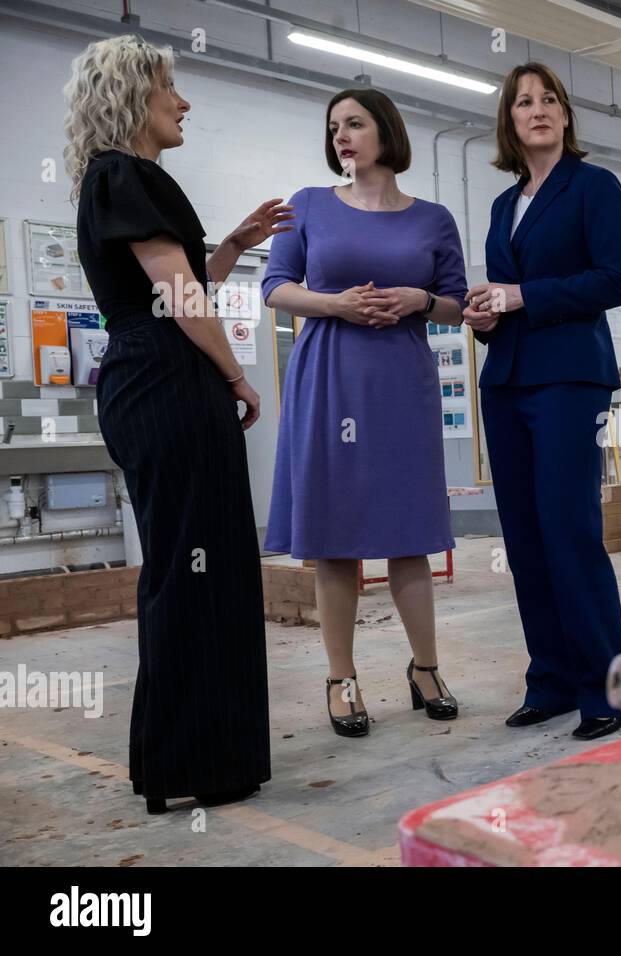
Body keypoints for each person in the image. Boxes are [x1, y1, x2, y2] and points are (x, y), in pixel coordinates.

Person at [66, 36, 289, 812]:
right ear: (136, 95)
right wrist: (236, 375)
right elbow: (179, 299)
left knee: (194, 564)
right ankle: (193, 763)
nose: (183, 103)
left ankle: (191, 759)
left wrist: (231, 244)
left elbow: (182, 281)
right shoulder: (123, 173)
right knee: (196, 566)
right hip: (167, 382)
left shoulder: (122, 181)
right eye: (171, 89)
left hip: (152, 375)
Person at [262, 88, 468, 737]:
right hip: (329, 376)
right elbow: (274, 287)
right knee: (335, 535)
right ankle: (341, 677)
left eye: (355, 122)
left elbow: (457, 304)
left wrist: (417, 298)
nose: (342, 134)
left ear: (386, 131)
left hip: (400, 383)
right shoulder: (309, 206)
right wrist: (336, 305)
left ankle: (426, 667)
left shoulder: (433, 218)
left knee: (409, 530)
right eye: (333, 126)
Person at [462, 62, 621, 741]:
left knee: (569, 532)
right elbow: (505, 297)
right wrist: (487, 317)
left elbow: (614, 279)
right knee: (527, 539)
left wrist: (523, 297)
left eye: (548, 99)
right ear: (509, 122)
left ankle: (610, 687)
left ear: (565, 114)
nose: (536, 109)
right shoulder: (507, 206)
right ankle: (554, 679)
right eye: (522, 102)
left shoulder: (595, 187)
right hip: (506, 380)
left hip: (570, 379)